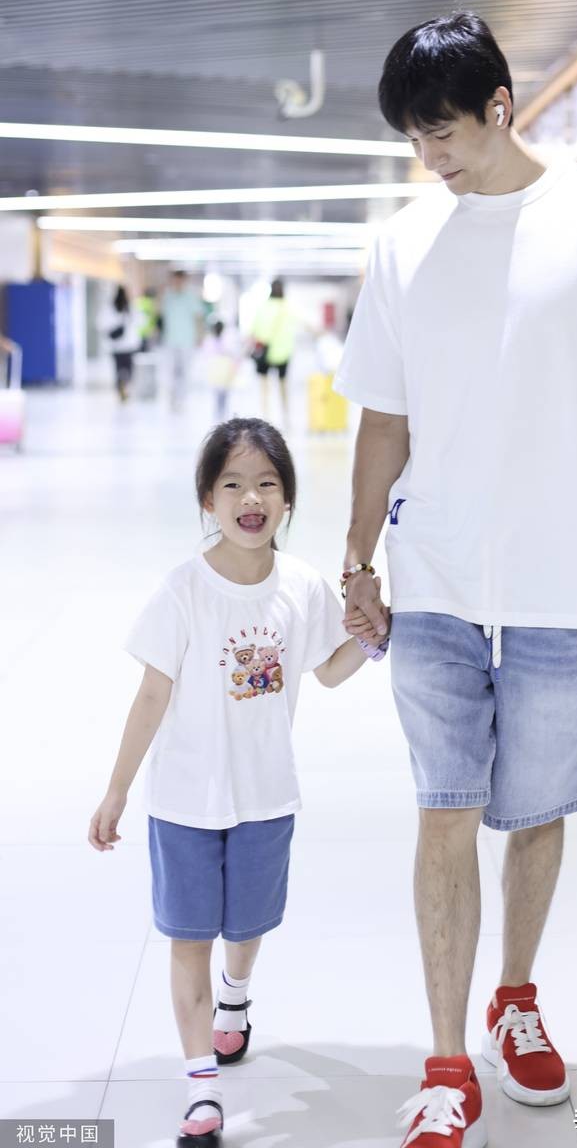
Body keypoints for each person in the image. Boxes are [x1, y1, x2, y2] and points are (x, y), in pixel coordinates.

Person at [334, 12, 577, 1148]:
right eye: (414, 140)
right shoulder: (404, 244)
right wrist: (357, 560)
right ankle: (447, 1059)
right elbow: (381, 419)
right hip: (440, 575)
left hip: (572, 582)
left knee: (535, 808)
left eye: (444, 132)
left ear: (501, 105)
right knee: (444, 811)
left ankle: (514, 995)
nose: (430, 158)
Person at [88, 417, 389, 1147]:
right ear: (206, 500)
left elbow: (328, 669)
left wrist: (377, 637)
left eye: (266, 483)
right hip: (184, 803)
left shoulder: (302, 587)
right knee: (188, 935)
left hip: (265, 797)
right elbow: (151, 696)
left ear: (286, 501)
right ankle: (201, 1086)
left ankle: (235, 999)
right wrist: (118, 789)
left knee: (246, 924)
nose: (250, 497)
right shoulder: (183, 591)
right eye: (232, 484)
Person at [247, 278, 296, 424]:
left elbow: (254, 329)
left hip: (265, 352)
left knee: (264, 386)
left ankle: (265, 416)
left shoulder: (263, 307)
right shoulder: (288, 307)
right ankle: (286, 415)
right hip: (283, 352)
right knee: (283, 385)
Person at [161, 271, 205, 411]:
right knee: (171, 371)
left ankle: (181, 399)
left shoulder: (191, 296)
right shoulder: (167, 296)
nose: (177, 283)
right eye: (174, 280)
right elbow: (159, 314)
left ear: (184, 280)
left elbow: (198, 317)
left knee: (185, 372)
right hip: (170, 339)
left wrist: (199, 336)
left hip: (187, 340)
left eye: (179, 280)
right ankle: (172, 398)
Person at [96, 284, 140, 402]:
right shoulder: (130, 307)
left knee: (119, 369)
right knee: (128, 369)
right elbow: (139, 322)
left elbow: (101, 325)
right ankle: (124, 388)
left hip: (116, 346)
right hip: (128, 346)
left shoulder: (111, 308)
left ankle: (122, 388)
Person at [202, 319, 243, 422]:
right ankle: (222, 415)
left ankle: (218, 415)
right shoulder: (227, 340)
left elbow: (206, 356)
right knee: (224, 395)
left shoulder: (209, 341)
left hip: (215, 371)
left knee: (217, 395)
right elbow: (234, 354)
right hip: (225, 371)